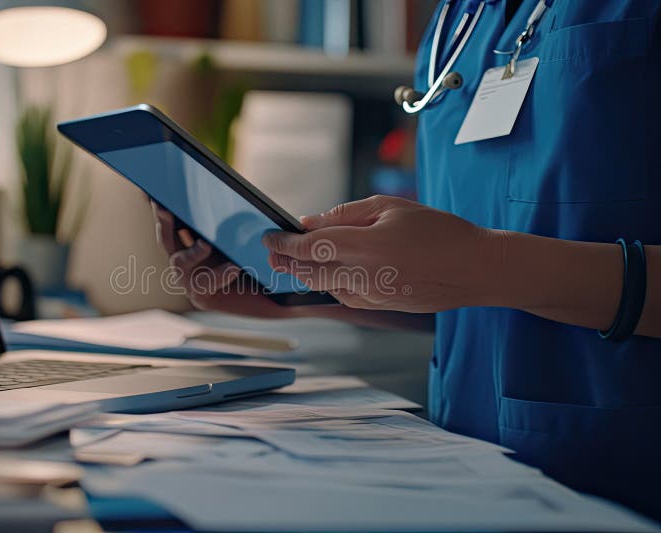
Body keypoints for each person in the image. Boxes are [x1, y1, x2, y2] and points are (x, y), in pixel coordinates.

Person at [152, 0, 661, 519]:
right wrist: (292, 296)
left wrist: (487, 263)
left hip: (623, 475)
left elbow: (476, 269)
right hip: (467, 473)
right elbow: (450, 288)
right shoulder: (458, 20)